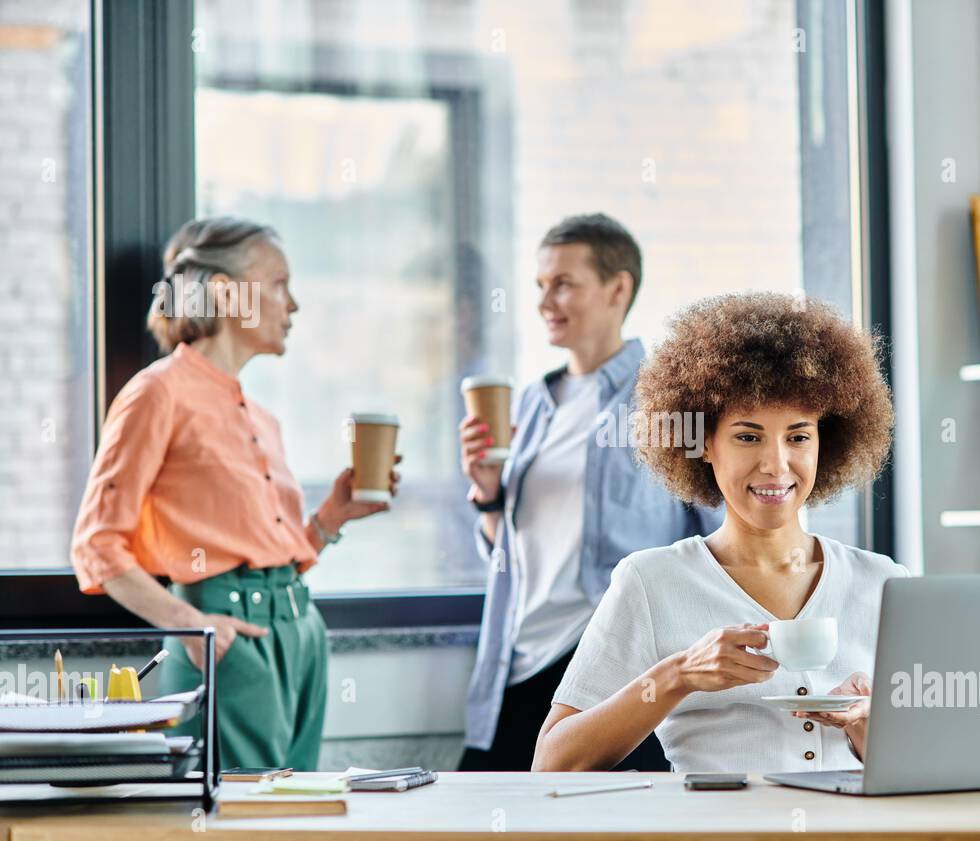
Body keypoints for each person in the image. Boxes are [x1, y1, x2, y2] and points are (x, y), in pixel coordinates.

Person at [70, 217, 400, 771]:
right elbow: (96, 545)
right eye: (278, 284)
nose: (292, 305)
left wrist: (331, 518)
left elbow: (267, 558)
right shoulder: (157, 394)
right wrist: (187, 624)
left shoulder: (261, 416)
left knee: (294, 823)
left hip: (300, 635)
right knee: (242, 840)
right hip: (226, 641)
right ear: (226, 293)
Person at [534, 291, 907, 773]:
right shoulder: (652, 582)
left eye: (798, 437)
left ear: (825, 443)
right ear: (705, 444)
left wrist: (867, 733)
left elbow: (931, 768)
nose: (776, 465)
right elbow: (552, 764)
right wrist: (679, 675)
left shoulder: (884, 582)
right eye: (748, 436)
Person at [458, 213, 722, 771]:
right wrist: (488, 496)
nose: (545, 301)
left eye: (564, 284)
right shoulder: (533, 401)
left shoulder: (668, 399)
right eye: (540, 286)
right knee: (480, 838)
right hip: (518, 659)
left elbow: (718, 538)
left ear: (617, 288)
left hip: (608, 664)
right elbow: (508, 549)